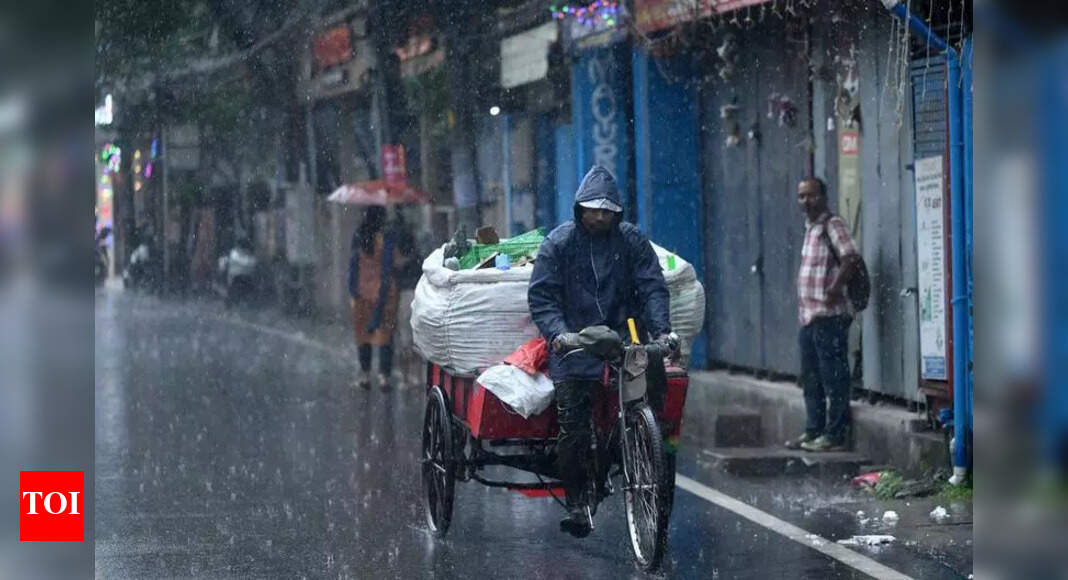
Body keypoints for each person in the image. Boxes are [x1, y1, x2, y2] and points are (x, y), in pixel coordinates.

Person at [528, 165, 675, 538]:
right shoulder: (558, 244)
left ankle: (649, 454)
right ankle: (578, 503)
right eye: (592, 209)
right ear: (580, 210)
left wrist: (662, 331)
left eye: (606, 210)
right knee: (573, 427)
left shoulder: (631, 242)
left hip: (625, 340)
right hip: (574, 346)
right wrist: (559, 334)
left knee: (655, 402)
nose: (599, 216)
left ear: (617, 213)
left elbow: (653, 288)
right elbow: (542, 297)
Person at [786, 177, 862, 452]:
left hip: (830, 316)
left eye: (811, 195)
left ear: (823, 196)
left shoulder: (833, 225)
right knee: (811, 378)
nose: (806, 201)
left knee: (834, 377)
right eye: (801, 196)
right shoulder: (811, 229)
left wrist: (834, 288)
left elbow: (850, 257)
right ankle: (813, 429)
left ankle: (835, 433)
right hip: (809, 316)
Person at [349, 206, 401, 391]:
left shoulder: (359, 235)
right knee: (385, 336)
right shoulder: (386, 236)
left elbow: (353, 264)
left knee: (363, 335)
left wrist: (353, 290)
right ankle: (383, 377)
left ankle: (365, 375)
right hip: (384, 294)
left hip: (362, 293)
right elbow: (388, 266)